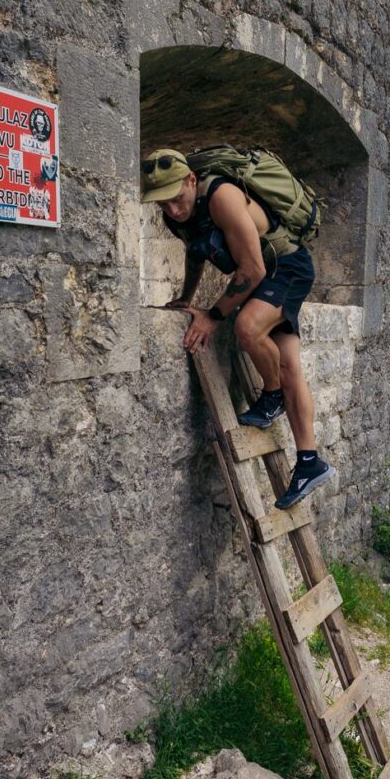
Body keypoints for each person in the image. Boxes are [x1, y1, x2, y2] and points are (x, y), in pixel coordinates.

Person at [141, 148, 336, 509]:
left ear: (191, 180)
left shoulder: (223, 197)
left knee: (247, 328)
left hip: (287, 267)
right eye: (161, 204)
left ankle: (273, 396)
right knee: (289, 365)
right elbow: (195, 251)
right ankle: (310, 462)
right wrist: (186, 297)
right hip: (266, 273)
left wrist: (212, 316)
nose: (171, 209)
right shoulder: (177, 214)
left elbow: (253, 272)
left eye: (175, 198)